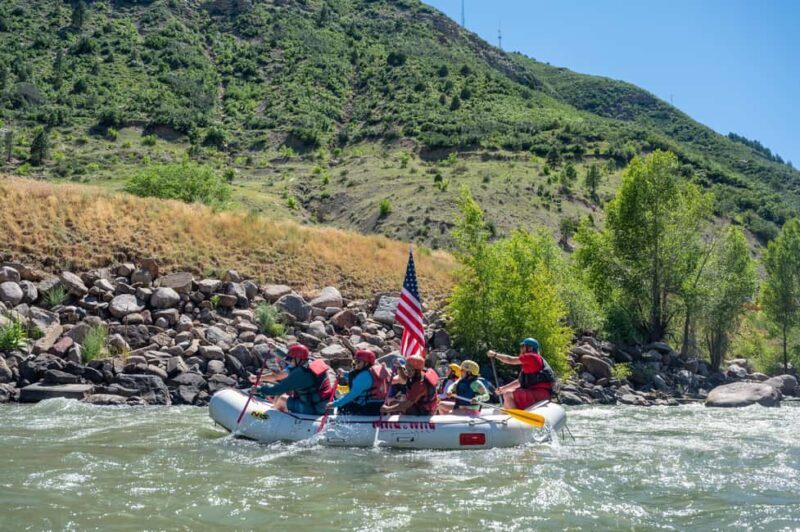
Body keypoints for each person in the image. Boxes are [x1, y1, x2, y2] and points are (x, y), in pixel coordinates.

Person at [254, 343, 337, 415]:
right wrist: (276, 350)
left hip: (313, 409)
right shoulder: (311, 361)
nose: (289, 361)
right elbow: (291, 357)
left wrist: (259, 389)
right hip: (324, 405)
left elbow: (277, 390)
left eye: (291, 359)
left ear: (298, 359)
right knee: (282, 395)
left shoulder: (300, 374)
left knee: (282, 399)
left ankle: (270, 419)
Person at [488, 337, 555, 410]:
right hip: (541, 394)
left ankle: (514, 419)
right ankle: (506, 415)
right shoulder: (532, 362)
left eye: (523, 346)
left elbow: (511, 360)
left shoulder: (532, 356)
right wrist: (503, 388)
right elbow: (520, 381)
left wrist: (495, 355)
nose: (521, 348)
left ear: (530, 348)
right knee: (507, 395)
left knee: (508, 394)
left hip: (538, 394)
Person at [331, 350, 390, 415]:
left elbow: (352, 394)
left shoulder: (364, 376)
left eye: (358, 362)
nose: (356, 364)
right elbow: (357, 377)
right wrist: (344, 374)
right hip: (378, 404)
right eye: (355, 361)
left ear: (366, 363)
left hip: (369, 407)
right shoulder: (370, 371)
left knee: (342, 406)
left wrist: (335, 404)